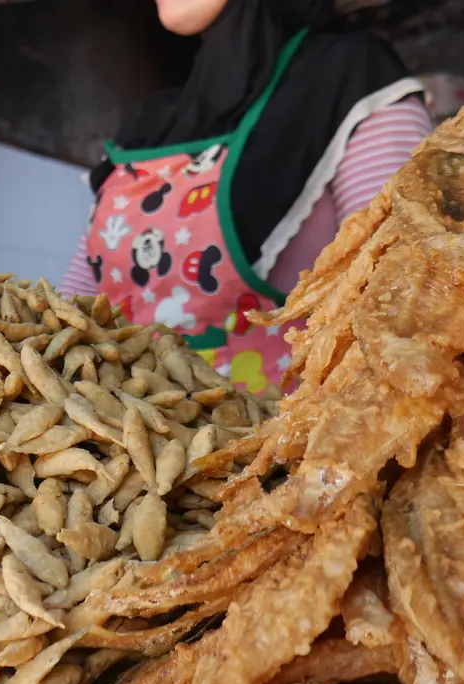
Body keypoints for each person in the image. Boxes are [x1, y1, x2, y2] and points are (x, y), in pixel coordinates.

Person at [58, 0, 431, 394]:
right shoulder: (146, 124)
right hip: (131, 442)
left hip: (284, 445)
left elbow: (404, 299)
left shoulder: (352, 77)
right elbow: (75, 309)